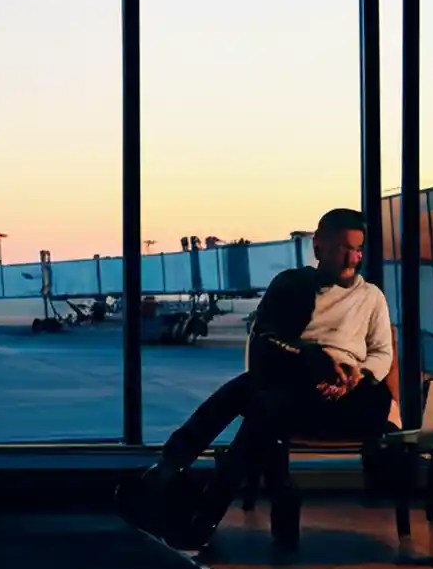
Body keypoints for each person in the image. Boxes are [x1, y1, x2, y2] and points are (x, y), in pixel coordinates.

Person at [140, 207, 396, 550]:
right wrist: (311, 357)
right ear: (318, 247)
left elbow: (382, 353)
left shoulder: (371, 298)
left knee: (252, 397)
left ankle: (175, 476)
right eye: (344, 248)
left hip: (350, 395)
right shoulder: (291, 285)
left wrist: (356, 376)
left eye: (358, 249)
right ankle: (202, 507)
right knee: (258, 399)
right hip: (295, 387)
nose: (353, 258)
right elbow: (267, 339)